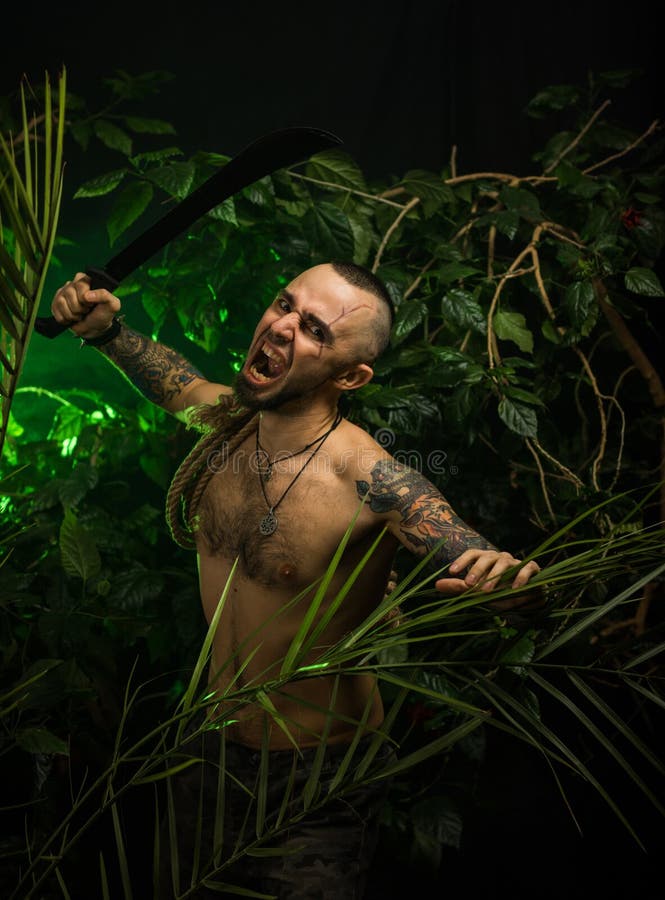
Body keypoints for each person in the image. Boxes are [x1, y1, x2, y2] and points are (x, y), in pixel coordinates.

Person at [51, 261, 540, 898]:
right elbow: (177, 384)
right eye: (285, 303)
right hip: (206, 751)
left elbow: (491, 571)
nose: (281, 326)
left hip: (317, 784)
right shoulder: (226, 425)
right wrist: (104, 332)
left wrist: (517, 588)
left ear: (350, 376)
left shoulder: (369, 477)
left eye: (312, 328)